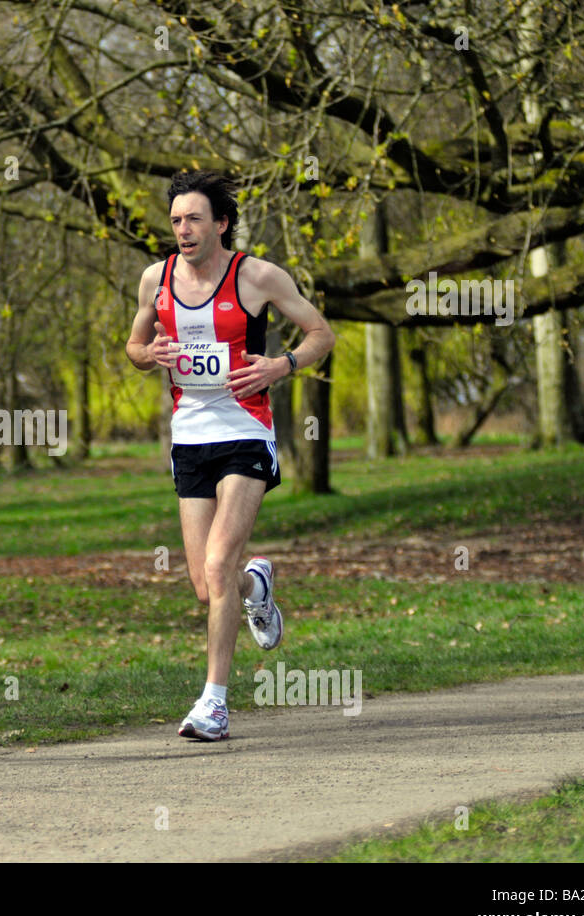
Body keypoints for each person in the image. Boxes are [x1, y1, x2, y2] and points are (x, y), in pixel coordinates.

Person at [125, 170, 335, 741]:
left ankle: (214, 703)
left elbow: (321, 332)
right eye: (175, 220)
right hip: (188, 436)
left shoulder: (258, 276)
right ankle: (256, 587)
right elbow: (133, 345)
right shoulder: (156, 279)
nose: (183, 230)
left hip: (246, 429)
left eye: (194, 219)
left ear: (220, 223)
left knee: (218, 566)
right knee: (207, 584)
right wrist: (151, 353)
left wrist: (280, 365)